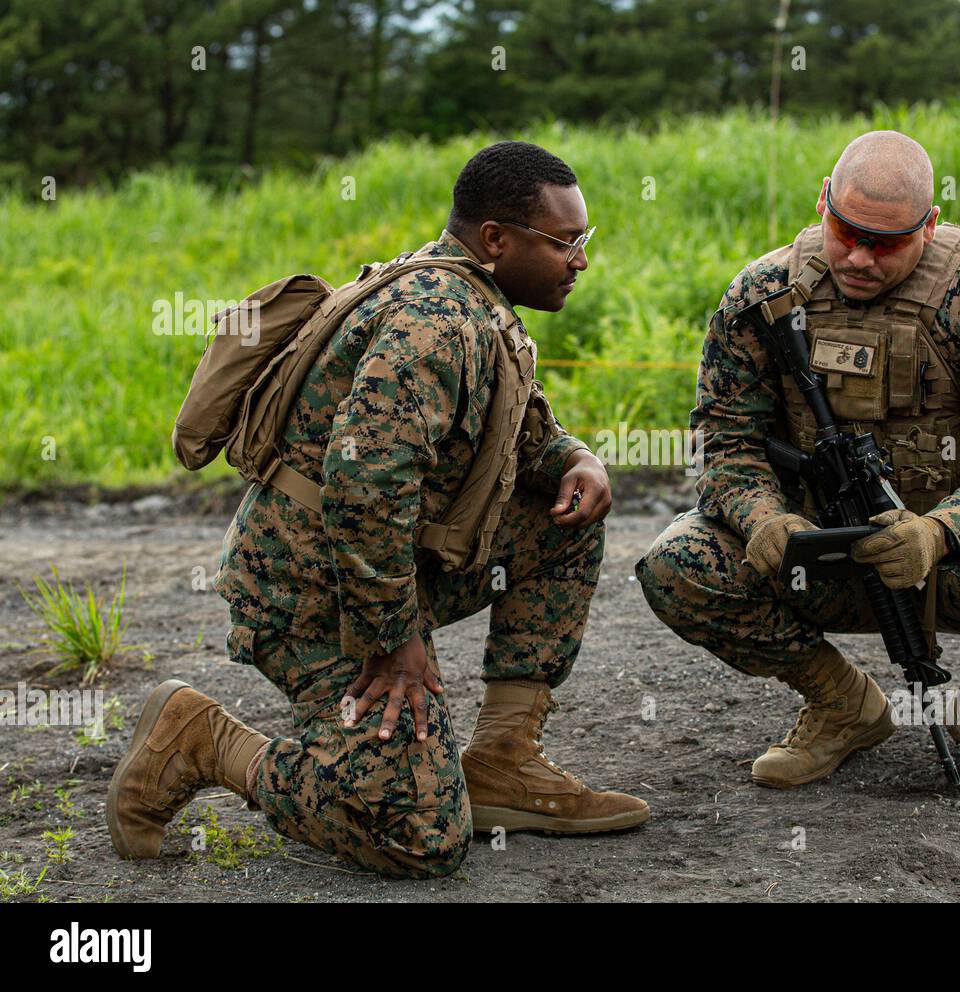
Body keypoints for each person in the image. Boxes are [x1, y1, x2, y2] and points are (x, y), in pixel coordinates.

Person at [109, 141, 649, 879]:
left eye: (583, 242)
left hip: (371, 570)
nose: (581, 260)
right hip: (308, 595)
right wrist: (392, 640)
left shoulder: (475, 304)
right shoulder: (436, 320)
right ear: (496, 239)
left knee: (568, 516)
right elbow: (364, 483)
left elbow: (523, 434)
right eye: (566, 243)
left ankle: (502, 761)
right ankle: (203, 740)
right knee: (421, 835)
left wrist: (577, 460)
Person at [637, 130, 960, 793]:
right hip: (823, 549)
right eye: (845, 229)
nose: (859, 257)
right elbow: (725, 441)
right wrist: (765, 518)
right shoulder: (766, 296)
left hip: (956, 557)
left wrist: (939, 532)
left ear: (930, 225)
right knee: (675, 565)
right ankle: (840, 703)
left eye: (885, 243)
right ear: (823, 200)